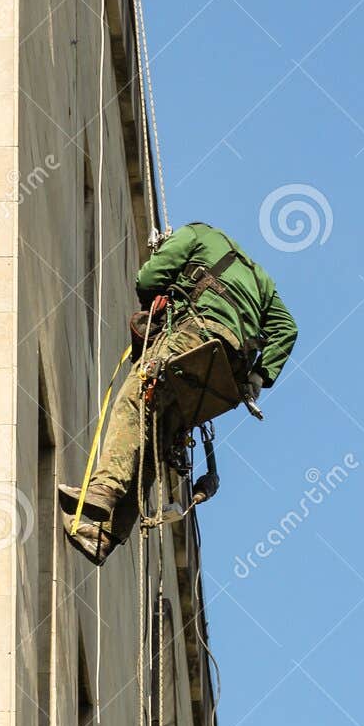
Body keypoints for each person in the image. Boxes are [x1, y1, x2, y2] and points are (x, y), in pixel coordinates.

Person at [61, 222, 298, 565]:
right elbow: (286, 328)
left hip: (192, 338)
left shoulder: (197, 233)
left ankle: (103, 489)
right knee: (155, 435)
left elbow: (148, 279)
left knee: (133, 404)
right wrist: (259, 376)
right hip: (222, 376)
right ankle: (104, 536)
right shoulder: (262, 281)